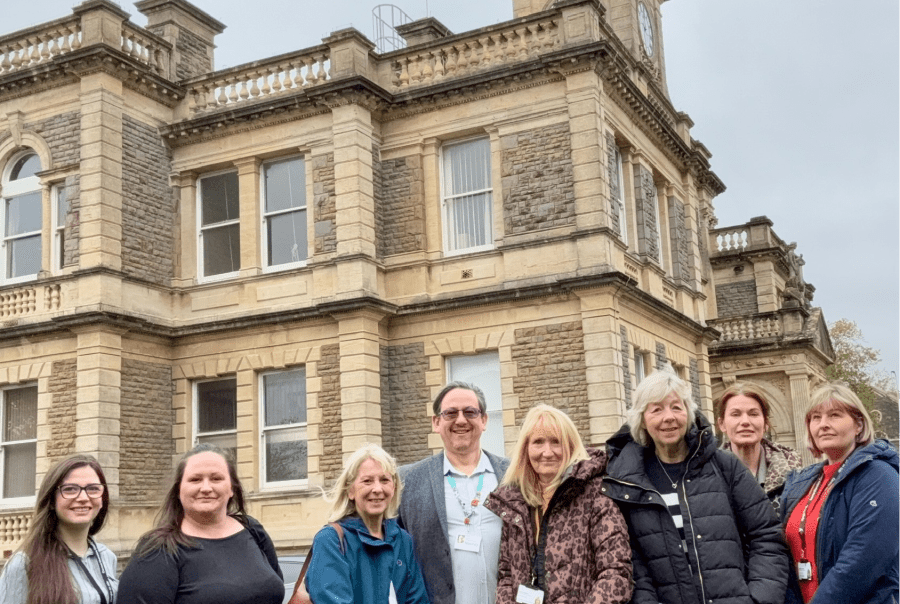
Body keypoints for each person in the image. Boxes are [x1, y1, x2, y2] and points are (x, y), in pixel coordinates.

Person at [603, 370, 788, 604]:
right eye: (656, 410)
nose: (668, 417)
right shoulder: (627, 481)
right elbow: (630, 560)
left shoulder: (724, 466)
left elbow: (766, 536)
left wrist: (759, 599)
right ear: (642, 420)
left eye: (676, 407)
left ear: (688, 413)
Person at [484, 404, 632, 604]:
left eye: (556, 442)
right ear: (525, 449)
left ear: (571, 446)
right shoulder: (514, 503)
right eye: (538, 442)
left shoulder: (596, 495)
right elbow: (506, 577)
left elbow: (616, 574)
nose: (547, 452)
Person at [117, 443, 283, 604]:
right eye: (195, 480)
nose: (206, 488)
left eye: (216, 479)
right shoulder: (157, 550)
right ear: (178, 490)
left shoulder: (252, 529)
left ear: (232, 488)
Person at [780, 382, 899, 604]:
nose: (823, 424)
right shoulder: (801, 482)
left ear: (859, 425)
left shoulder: (879, 475)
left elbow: (864, 559)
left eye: (834, 415)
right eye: (816, 418)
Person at [397, 381, 508, 604]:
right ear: (436, 422)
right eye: (450, 413)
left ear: (484, 420)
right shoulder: (407, 481)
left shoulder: (512, 475)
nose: (461, 420)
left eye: (470, 412)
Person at [305, 443, 429, 604]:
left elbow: (417, 600)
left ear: (394, 487)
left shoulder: (403, 540)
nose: (377, 489)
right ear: (350, 490)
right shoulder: (330, 541)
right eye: (367, 481)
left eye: (384, 480)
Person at [0, 454, 117, 604]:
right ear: (51, 500)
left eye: (93, 488)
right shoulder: (24, 564)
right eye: (70, 489)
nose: (83, 497)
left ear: (102, 498)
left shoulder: (107, 557)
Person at [715, 381, 802, 508]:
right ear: (722, 424)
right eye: (736, 414)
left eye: (753, 414)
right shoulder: (709, 473)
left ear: (766, 423)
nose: (745, 421)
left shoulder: (794, 470)